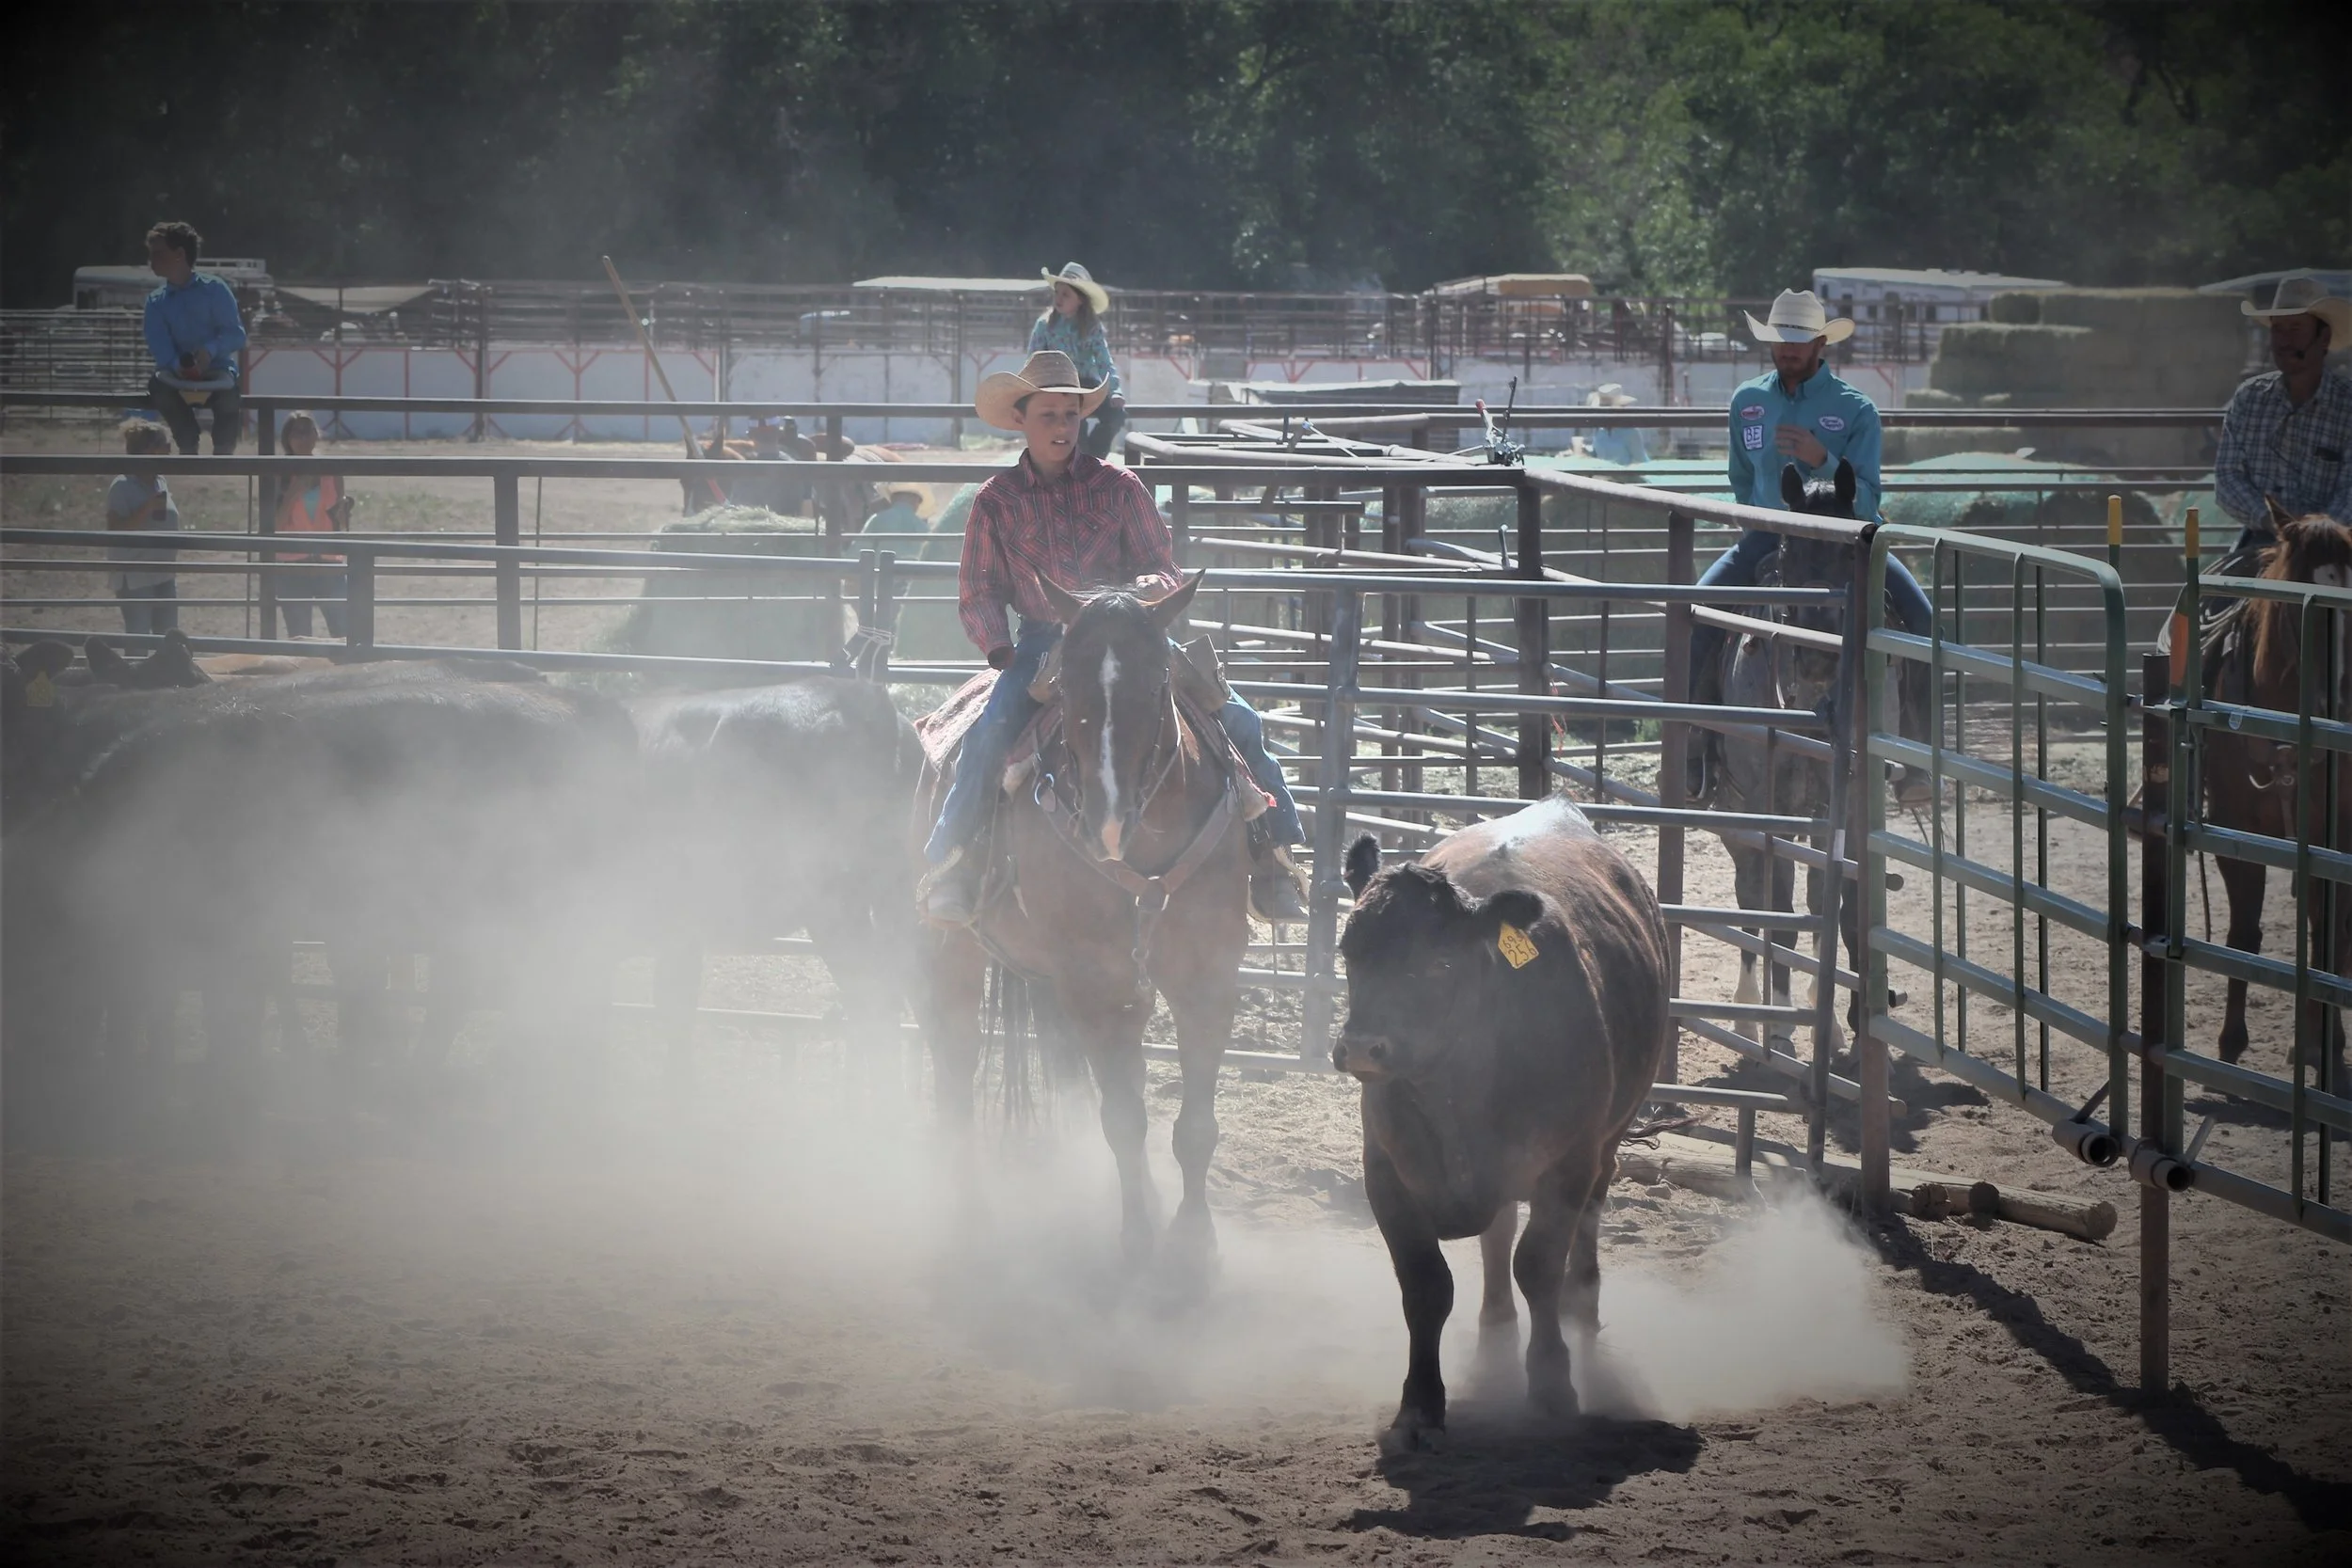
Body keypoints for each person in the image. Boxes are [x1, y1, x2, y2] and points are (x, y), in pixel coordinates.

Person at [920, 350, 1307, 926]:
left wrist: (1151, 587)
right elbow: (978, 590)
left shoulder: (1120, 487)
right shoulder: (996, 501)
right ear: (1022, 420)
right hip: (1044, 641)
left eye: (1070, 415)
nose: (1061, 427)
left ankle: (1274, 859)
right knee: (989, 733)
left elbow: (1159, 562)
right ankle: (957, 862)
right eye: (1048, 415)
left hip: (1129, 633)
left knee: (1241, 720)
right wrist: (1000, 651)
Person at [1690, 288, 1934, 804]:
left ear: (1822, 344)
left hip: (1847, 541)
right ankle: (1697, 749)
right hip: (1768, 535)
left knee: (1923, 618)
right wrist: (1759, 519)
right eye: (1781, 342)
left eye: (1798, 343)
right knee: (1695, 615)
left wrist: (1822, 458)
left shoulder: (1856, 410)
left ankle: (1916, 760)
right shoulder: (1748, 402)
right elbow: (1740, 477)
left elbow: (1868, 499)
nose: (1788, 352)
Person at [2216, 273, 2352, 549]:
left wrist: (2313, 533)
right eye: (2277, 329)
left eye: (2295, 328)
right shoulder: (2250, 398)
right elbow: (2228, 477)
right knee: (2213, 591)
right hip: (2262, 539)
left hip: (2334, 546)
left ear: (2323, 337)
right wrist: (2271, 521)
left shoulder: (2348, 405)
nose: (2283, 341)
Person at [140, 220, 246, 455]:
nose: (152, 261)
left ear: (180, 254)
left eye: (158, 254)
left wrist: (209, 351)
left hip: (216, 368)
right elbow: (160, 348)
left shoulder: (215, 289)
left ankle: (224, 450)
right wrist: (179, 365)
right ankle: (188, 443)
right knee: (158, 387)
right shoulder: (156, 301)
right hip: (176, 373)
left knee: (230, 395)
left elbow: (236, 334)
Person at [1029, 263, 1126, 460]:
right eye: (1057, 293)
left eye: (1066, 294)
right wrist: (1033, 388)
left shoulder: (1091, 327)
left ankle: (1094, 459)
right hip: (1059, 386)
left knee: (1116, 416)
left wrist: (1114, 391)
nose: (1059, 298)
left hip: (1088, 385)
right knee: (1075, 425)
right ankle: (1083, 462)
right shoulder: (1044, 325)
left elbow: (1103, 361)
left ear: (1080, 299)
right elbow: (1034, 359)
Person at [271, 413, 352, 639]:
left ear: (317, 434)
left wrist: (344, 510)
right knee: (299, 636)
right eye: (296, 433)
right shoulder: (278, 472)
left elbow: (341, 522)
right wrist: (295, 491)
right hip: (292, 563)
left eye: (307, 431)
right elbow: (274, 525)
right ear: (287, 439)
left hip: (328, 560)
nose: (303, 438)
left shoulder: (332, 470)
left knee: (344, 633)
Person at [105, 420, 182, 635]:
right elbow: (115, 529)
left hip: (163, 572)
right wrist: (146, 508)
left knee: (167, 636)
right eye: (165, 445)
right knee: (139, 635)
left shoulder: (159, 481)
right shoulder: (122, 486)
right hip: (136, 575)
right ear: (149, 449)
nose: (169, 450)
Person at [1582, 384, 1649, 465]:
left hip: (1624, 476)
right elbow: (1598, 453)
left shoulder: (1630, 432)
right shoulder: (1599, 430)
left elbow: (1641, 461)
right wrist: (1585, 451)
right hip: (1601, 475)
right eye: (1601, 410)